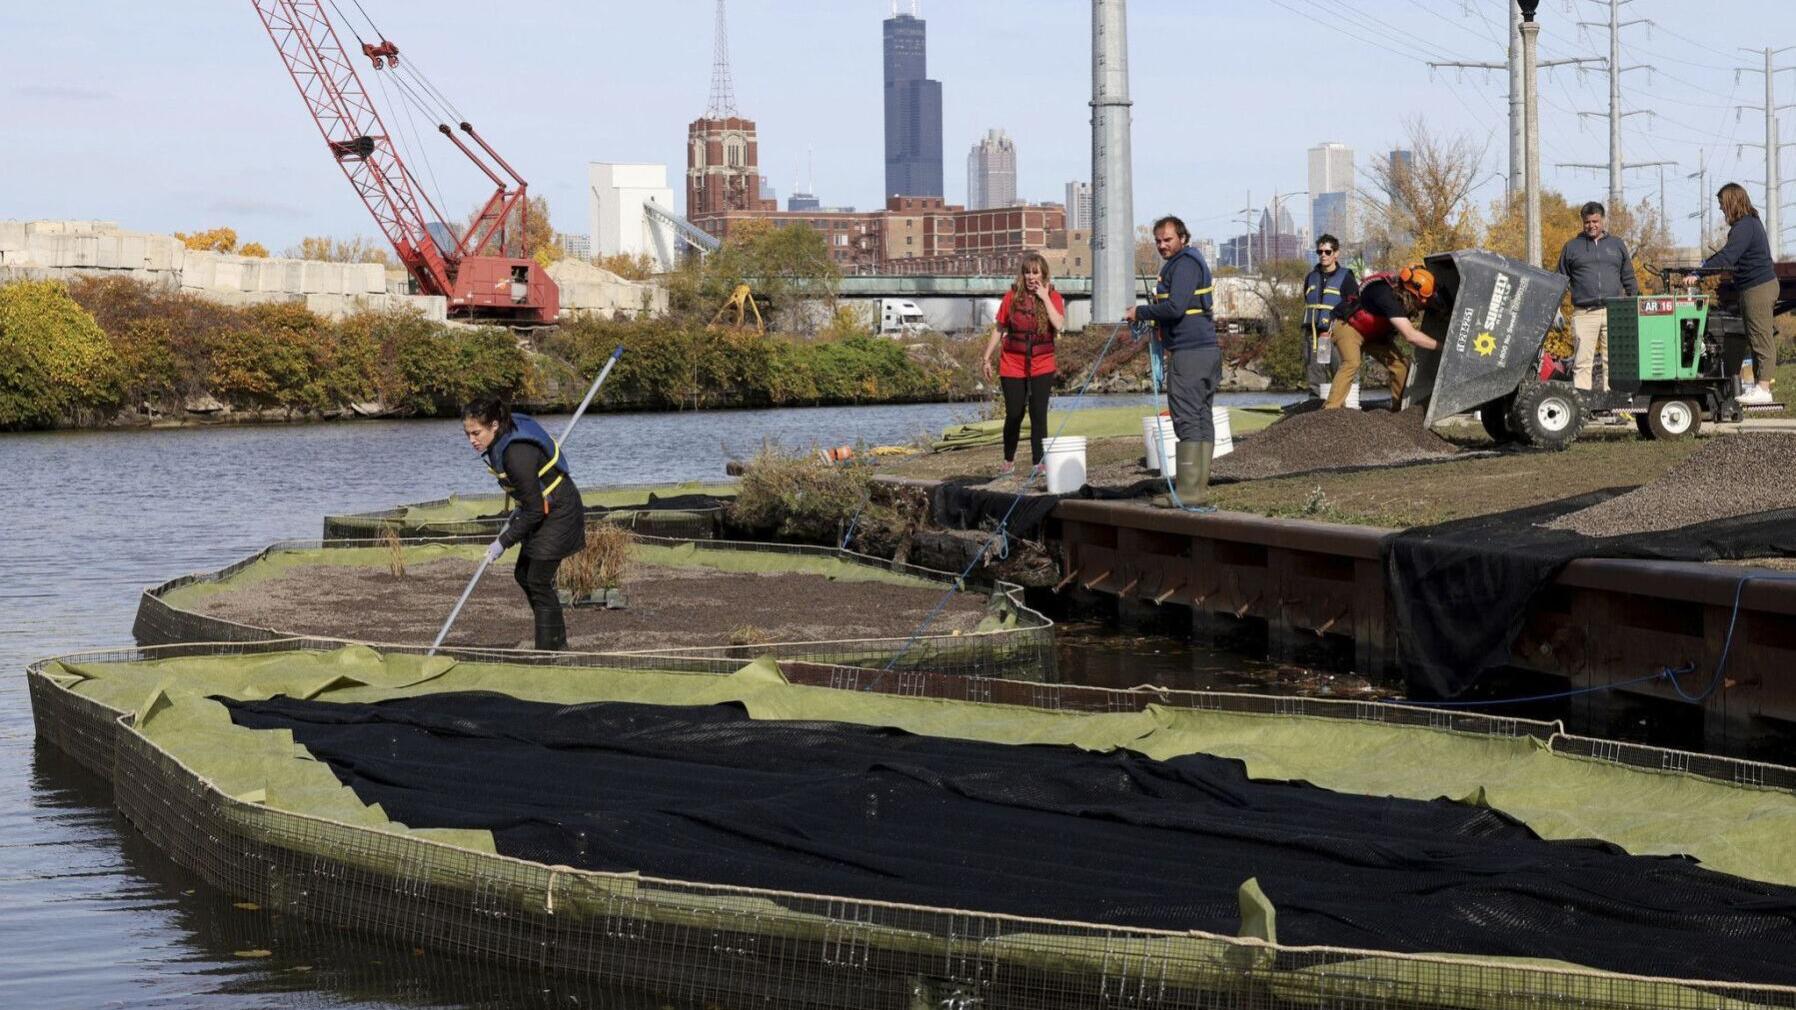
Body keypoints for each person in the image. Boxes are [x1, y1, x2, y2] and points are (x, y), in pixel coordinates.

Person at [461, 397, 586, 651]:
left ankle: (548, 650)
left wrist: (502, 542)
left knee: (538, 580)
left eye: (476, 433)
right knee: (523, 574)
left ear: (494, 425)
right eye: (467, 434)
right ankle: (556, 642)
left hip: (559, 512)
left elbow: (534, 510)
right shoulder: (502, 439)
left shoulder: (516, 454)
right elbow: (530, 502)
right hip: (541, 509)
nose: (472, 440)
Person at [1124, 215, 1218, 508]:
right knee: (1201, 417)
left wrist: (1140, 313)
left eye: (1168, 239)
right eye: (1158, 241)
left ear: (1183, 238)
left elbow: (1176, 307)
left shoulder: (1185, 264)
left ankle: (1189, 490)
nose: (1162, 245)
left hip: (1190, 354)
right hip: (1205, 351)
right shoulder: (1185, 262)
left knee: (1187, 417)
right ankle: (1198, 487)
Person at [1689, 183, 1779, 405]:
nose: (1721, 209)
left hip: (1758, 288)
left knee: (1760, 337)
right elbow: (1729, 255)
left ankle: (1764, 388)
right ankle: (1760, 386)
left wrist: (1698, 273)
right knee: (1754, 336)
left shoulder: (1745, 226)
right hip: (1753, 287)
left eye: (1722, 204)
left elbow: (1728, 257)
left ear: (1732, 202)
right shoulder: (1747, 225)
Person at [981, 251, 1066, 477]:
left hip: (1042, 362)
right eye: (1027, 272)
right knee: (1015, 413)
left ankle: (1039, 462)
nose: (1030, 277)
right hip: (1013, 362)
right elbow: (999, 328)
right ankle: (1009, 459)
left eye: (1035, 272)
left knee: (1038, 413)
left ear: (1044, 274)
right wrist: (987, 357)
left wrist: (1045, 297)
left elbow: (1058, 324)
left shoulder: (1054, 297)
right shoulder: (1011, 297)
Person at [1324, 264, 1441, 410]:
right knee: (1352, 362)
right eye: (1421, 300)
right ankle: (1330, 411)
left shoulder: (1403, 295)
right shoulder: (1386, 296)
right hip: (1349, 326)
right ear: (1410, 293)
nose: (1423, 305)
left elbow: (1433, 303)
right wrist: (1442, 347)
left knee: (1402, 366)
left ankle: (1400, 413)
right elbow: (1411, 336)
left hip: (1373, 335)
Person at [1554, 201, 1639, 394]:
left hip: (1615, 312)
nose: (1591, 225)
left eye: (1595, 221)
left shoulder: (1617, 245)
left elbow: (1628, 276)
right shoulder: (1572, 247)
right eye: (1587, 222)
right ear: (1582, 222)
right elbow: (1560, 280)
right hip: (1584, 313)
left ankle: (1614, 403)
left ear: (1602, 220)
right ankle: (1583, 403)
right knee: (1582, 361)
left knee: (1614, 362)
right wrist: (1556, 309)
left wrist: (1633, 302)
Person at [1301, 235, 1359, 397]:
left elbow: (1354, 304)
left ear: (1336, 253)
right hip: (1313, 336)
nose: (1323, 255)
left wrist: (1333, 323)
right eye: (1320, 251)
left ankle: (1348, 409)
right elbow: (1308, 301)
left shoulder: (1346, 277)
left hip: (1336, 335)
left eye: (1328, 251)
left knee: (1343, 373)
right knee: (1315, 378)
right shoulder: (1310, 277)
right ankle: (1316, 410)